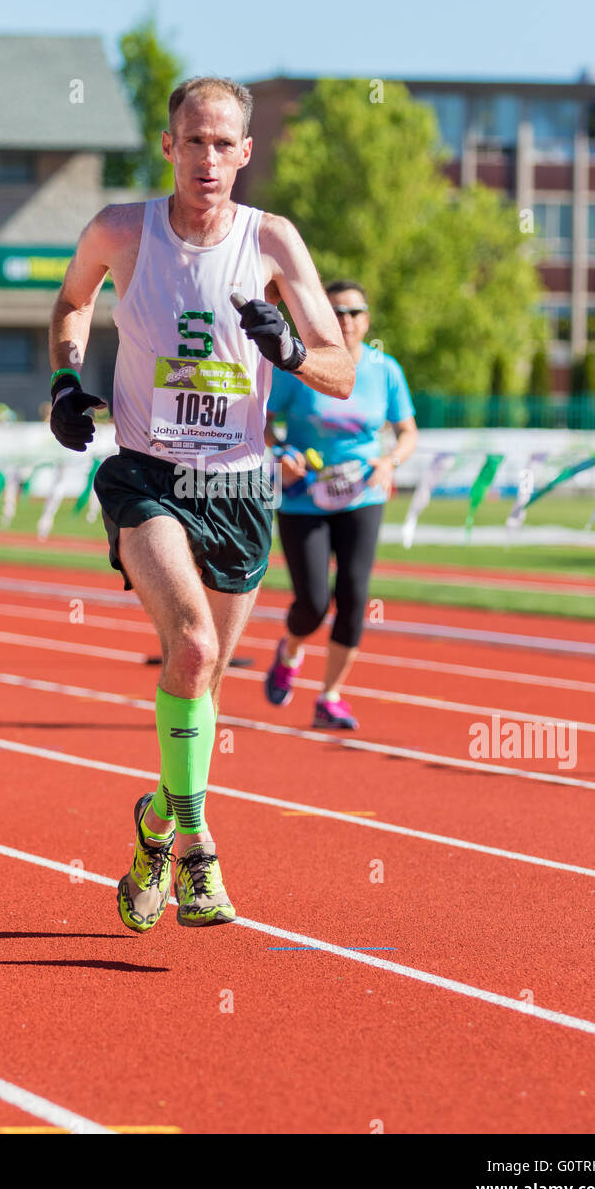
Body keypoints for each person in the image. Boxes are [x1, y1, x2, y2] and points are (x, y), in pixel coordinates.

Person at [48, 76, 353, 932]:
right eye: (195, 141)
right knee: (187, 645)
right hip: (147, 476)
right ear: (170, 146)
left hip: (242, 486)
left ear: (245, 153)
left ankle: (152, 822)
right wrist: (65, 384)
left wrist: (288, 348)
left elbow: (340, 368)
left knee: (206, 677)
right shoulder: (120, 231)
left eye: (225, 144)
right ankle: (197, 849)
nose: (209, 158)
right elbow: (74, 302)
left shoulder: (273, 240)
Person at [264, 280, 417, 729]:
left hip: (363, 495)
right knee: (312, 603)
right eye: (336, 312)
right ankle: (290, 650)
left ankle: (329, 696)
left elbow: (407, 432)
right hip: (303, 499)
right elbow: (264, 421)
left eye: (355, 312)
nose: (346, 321)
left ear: (367, 320)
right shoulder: (299, 367)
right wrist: (281, 453)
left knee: (353, 597)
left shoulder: (385, 369)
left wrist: (389, 462)